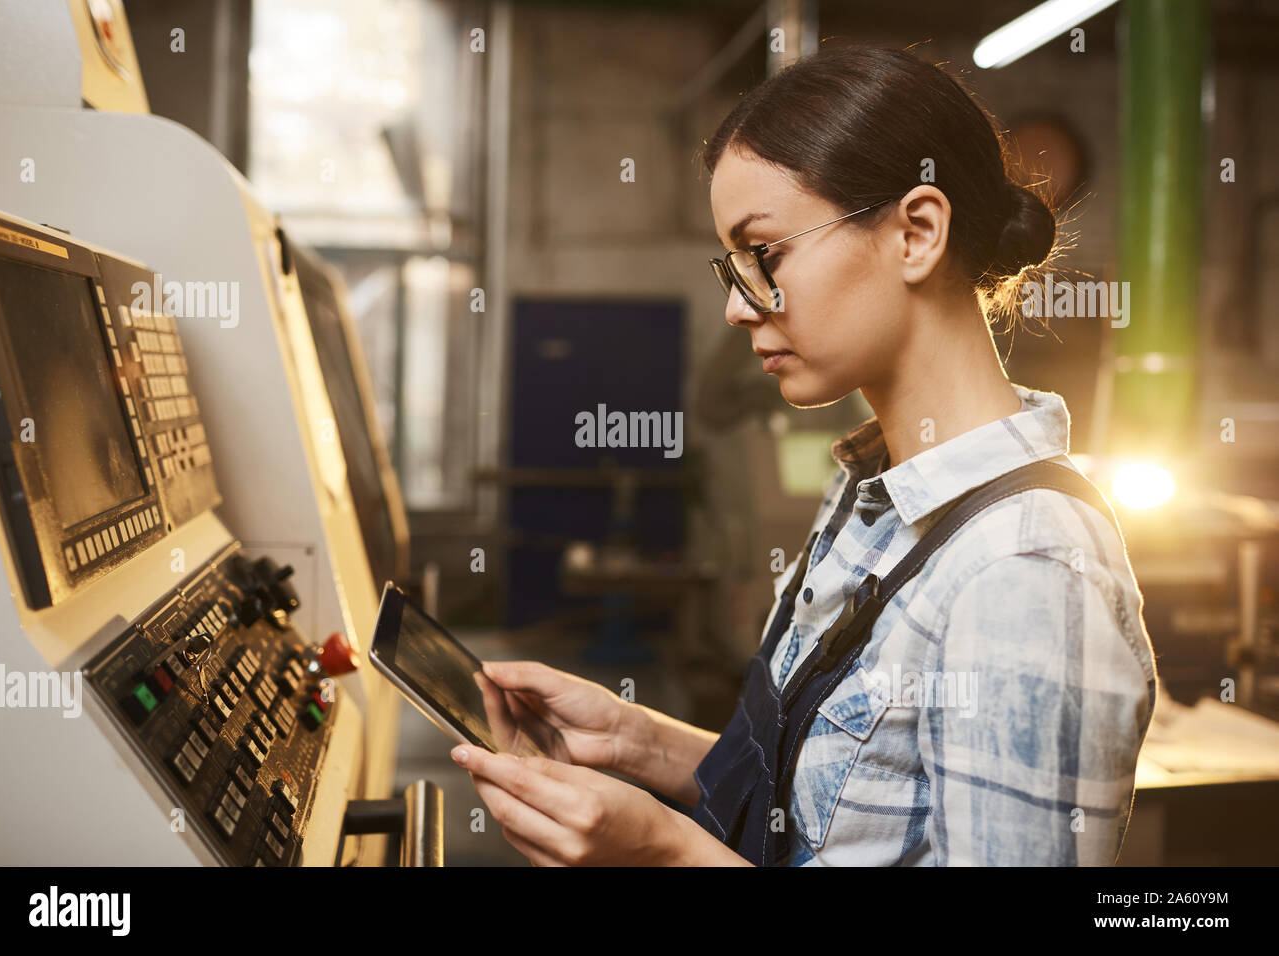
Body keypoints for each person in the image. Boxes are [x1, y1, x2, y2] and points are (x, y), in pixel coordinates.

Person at [449, 44, 1158, 866]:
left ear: (917, 233)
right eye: (732, 264)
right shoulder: (876, 491)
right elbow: (825, 800)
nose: (734, 308)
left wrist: (661, 853)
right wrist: (636, 740)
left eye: (765, 255)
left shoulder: (1026, 571)